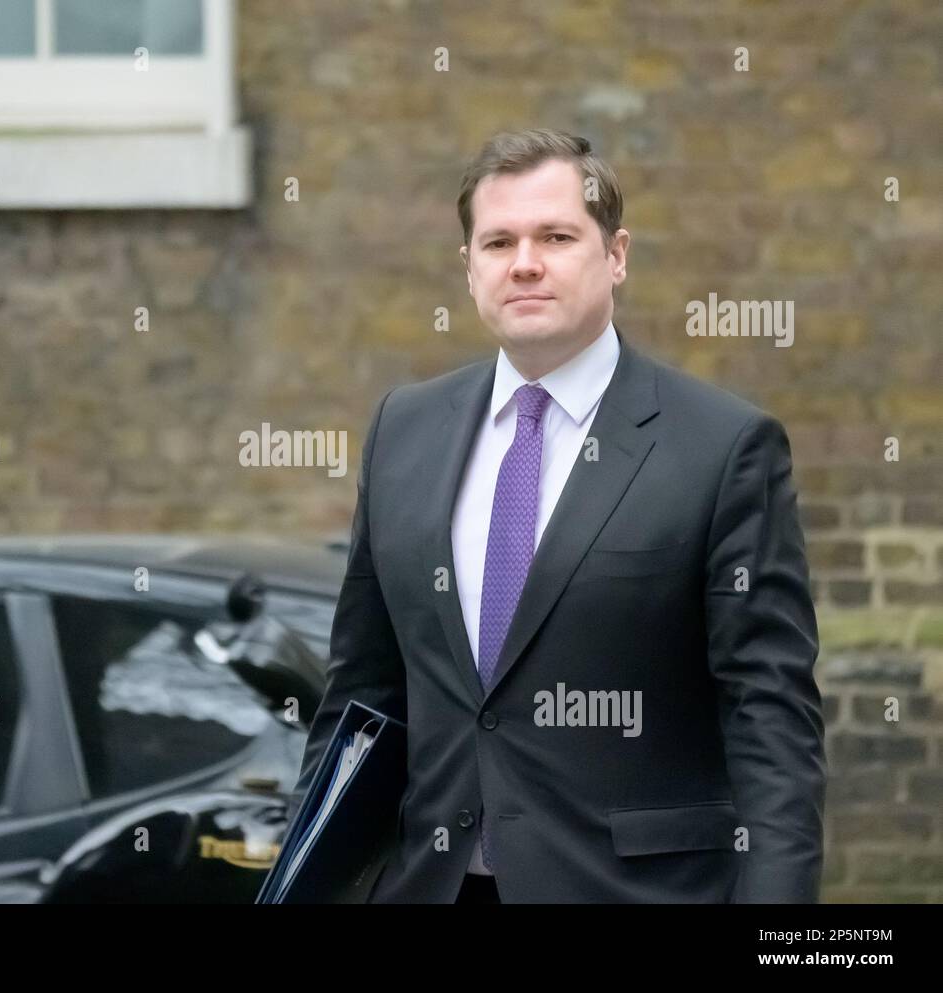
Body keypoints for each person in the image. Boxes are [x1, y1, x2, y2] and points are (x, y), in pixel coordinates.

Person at [288, 127, 826, 904]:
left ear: (616, 256)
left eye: (557, 236)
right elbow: (362, 697)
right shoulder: (403, 429)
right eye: (498, 240)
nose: (525, 262)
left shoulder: (722, 447)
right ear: (468, 268)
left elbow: (770, 716)